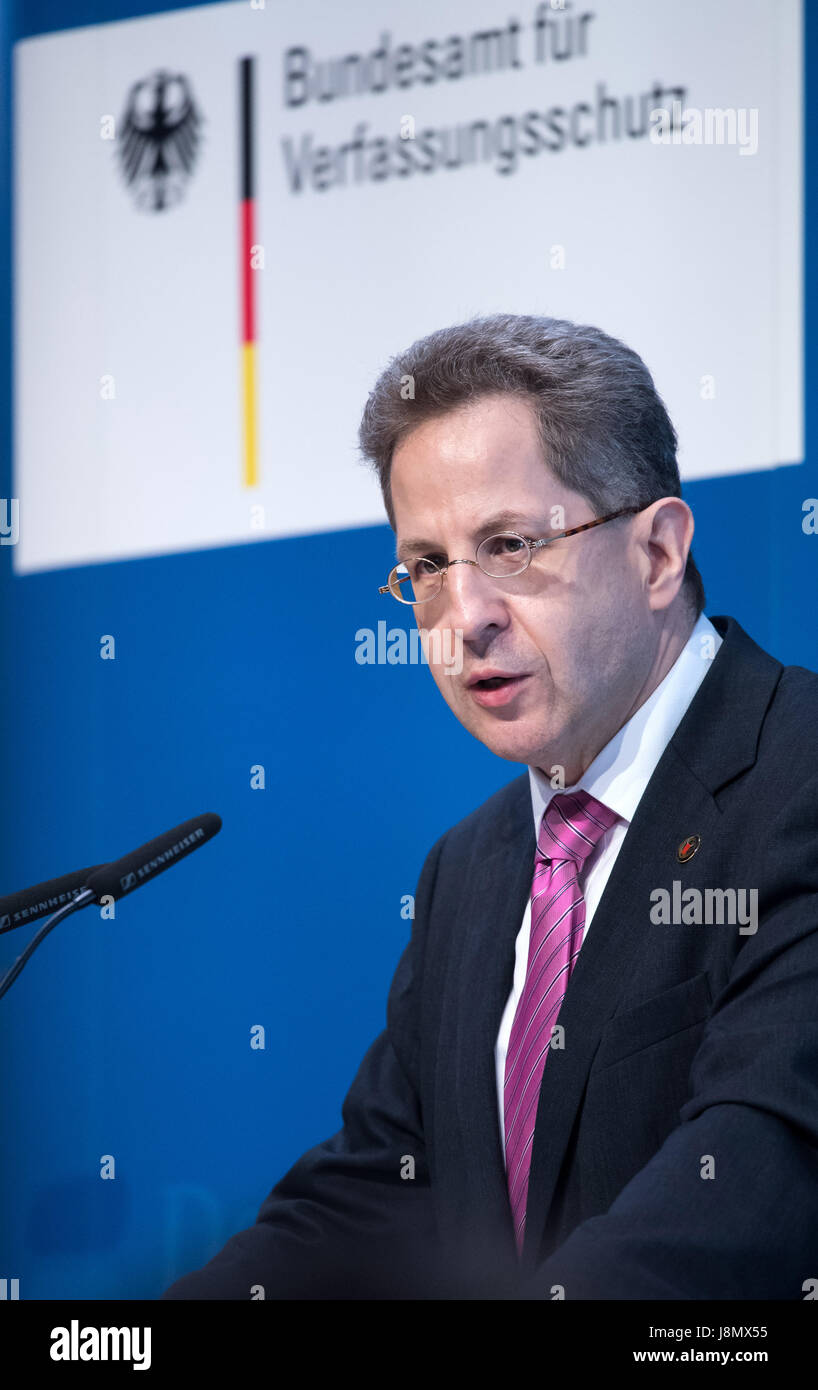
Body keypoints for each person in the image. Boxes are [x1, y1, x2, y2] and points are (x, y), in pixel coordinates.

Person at [162, 314, 818, 1300]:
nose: (462, 618)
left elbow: (751, 1173)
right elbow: (375, 1191)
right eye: (426, 567)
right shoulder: (468, 867)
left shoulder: (797, 779)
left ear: (655, 553)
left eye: (508, 544)